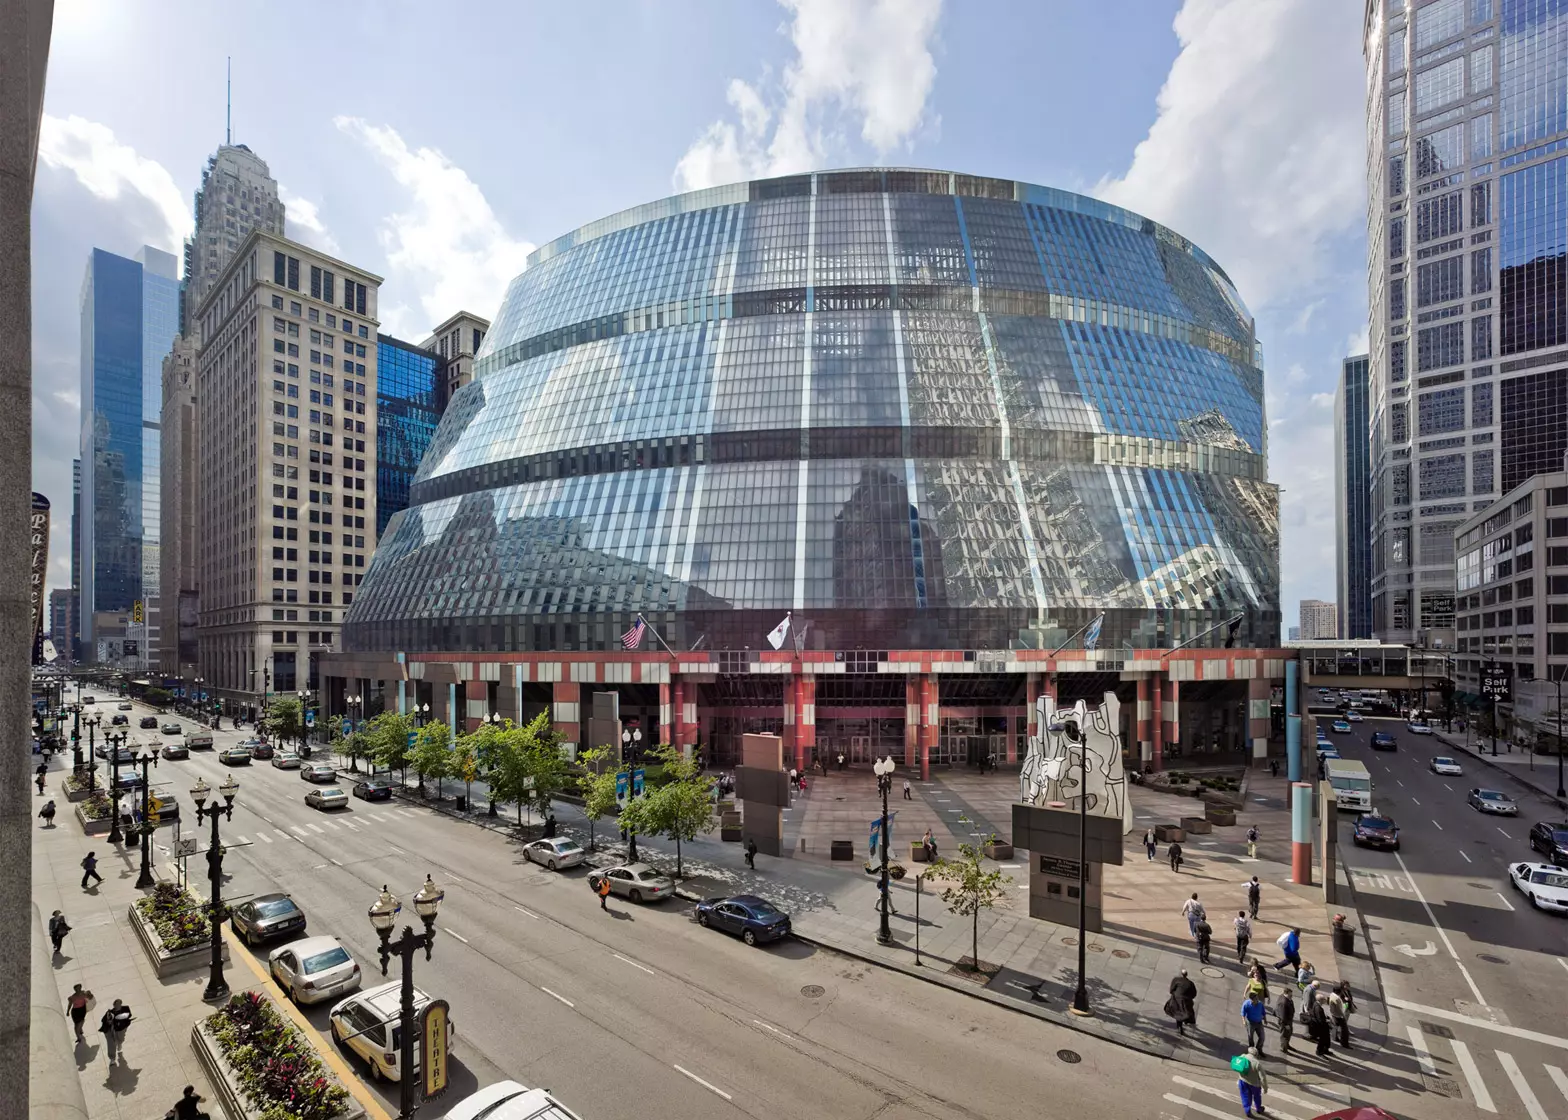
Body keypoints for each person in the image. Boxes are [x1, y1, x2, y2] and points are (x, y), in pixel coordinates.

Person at [1235, 1047, 1268, 1117]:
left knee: (1245, 1096)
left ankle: (1247, 1111)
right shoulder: (1257, 1064)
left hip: (1243, 1081)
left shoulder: (1243, 1056)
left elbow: (1237, 1065)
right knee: (1257, 1097)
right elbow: (1263, 1078)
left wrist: (1239, 1078)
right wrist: (1265, 1088)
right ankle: (1258, 1108)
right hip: (1255, 1084)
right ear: (1256, 1054)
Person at [99, 998, 132, 1063]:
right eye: (116, 1004)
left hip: (121, 1028)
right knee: (111, 1044)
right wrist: (109, 1020)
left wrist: (124, 1016)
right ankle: (112, 1058)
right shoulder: (110, 1012)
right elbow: (103, 1020)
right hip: (111, 1030)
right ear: (114, 1005)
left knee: (121, 1039)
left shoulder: (126, 1008)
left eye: (119, 1004)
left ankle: (119, 1045)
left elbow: (129, 1015)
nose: (117, 1006)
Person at [1167, 969, 1198, 1035]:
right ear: (1186, 975)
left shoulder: (1176, 980)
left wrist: (1175, 994)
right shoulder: (1190, 983)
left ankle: (1179, 1026)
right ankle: (1186, 1021)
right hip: (1186, 1000)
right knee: (1187, 1010)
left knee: (1178, 1012)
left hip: (1177, 999)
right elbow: (1194, 994)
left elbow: (1171, 990)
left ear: (1181, 974)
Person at [1306, 988, 1332, 1056]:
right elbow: (1320, 1019)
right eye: (1323, 999)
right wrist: (1327, 1020)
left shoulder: (1316, 1004)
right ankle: (1319, 1051)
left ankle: (1325, 1049)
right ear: (1320, 1000)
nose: (1325, 1000)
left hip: (1322, 1026)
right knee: (1322, 1039)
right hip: (1321, 1027)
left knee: (1326, 1038)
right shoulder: (1318, 1008)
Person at [1329, 980, 1353, 1049]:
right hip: (1339, 1015)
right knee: (1344, 1030)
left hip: (1335, 1014)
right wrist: (1343, 1014)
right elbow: (1341, 1008)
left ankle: (1334, 1037)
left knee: (1335, 1026)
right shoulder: (1337, 998)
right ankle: (1344, 1043)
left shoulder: (1332, 995)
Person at [1274, 987, 1296, 1053]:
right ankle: (1284, 1048)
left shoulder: (1287, 998)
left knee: (1289, 1033)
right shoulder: (1283, 1003)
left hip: (1289, 1020)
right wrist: (1286, 1024)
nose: (1291, 996)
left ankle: (1287, 1045)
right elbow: (1282, 1015)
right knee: (1284, 1035)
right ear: (1285, 994)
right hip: (1284, 1022)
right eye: (1290, 995)